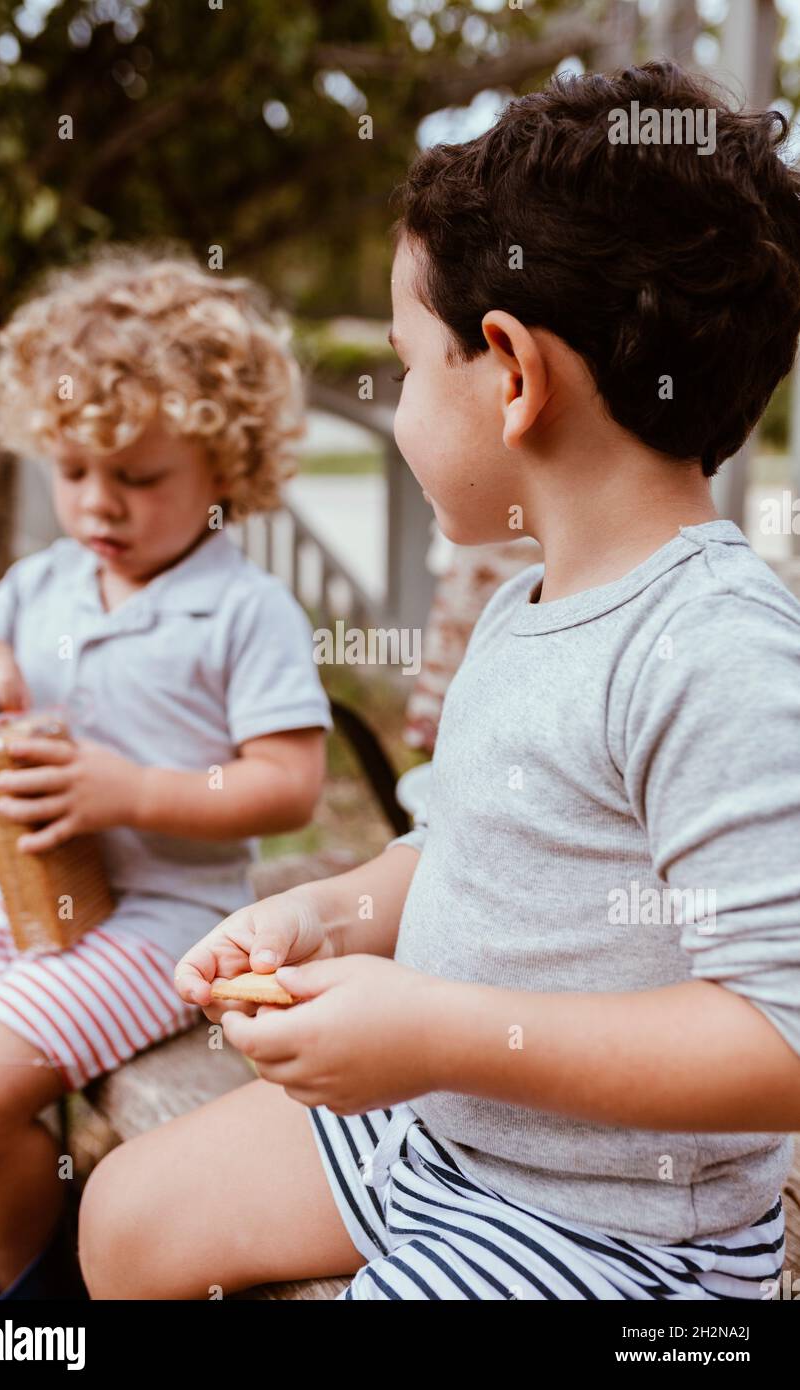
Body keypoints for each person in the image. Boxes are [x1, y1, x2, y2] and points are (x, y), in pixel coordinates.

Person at [79, 61, 800, 1301]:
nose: (397, 401)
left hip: (617, 1228)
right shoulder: (531, 607)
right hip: (444, 1127)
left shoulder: (716, 649)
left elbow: (777, 1039)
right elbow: (453, 849)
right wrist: (324, 917)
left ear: (511, 373)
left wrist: (431, 1030)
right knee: (124, 1218)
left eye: (408, 367)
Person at [0, 251, 331, 1298]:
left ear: (225, 466)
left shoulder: (245, 611)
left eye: (139, 477)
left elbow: (286, 785)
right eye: (72, 473)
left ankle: (29, 1297)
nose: (98, 505)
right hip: (24, 895)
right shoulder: (45, 581)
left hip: (158, 918)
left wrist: (131, 792)